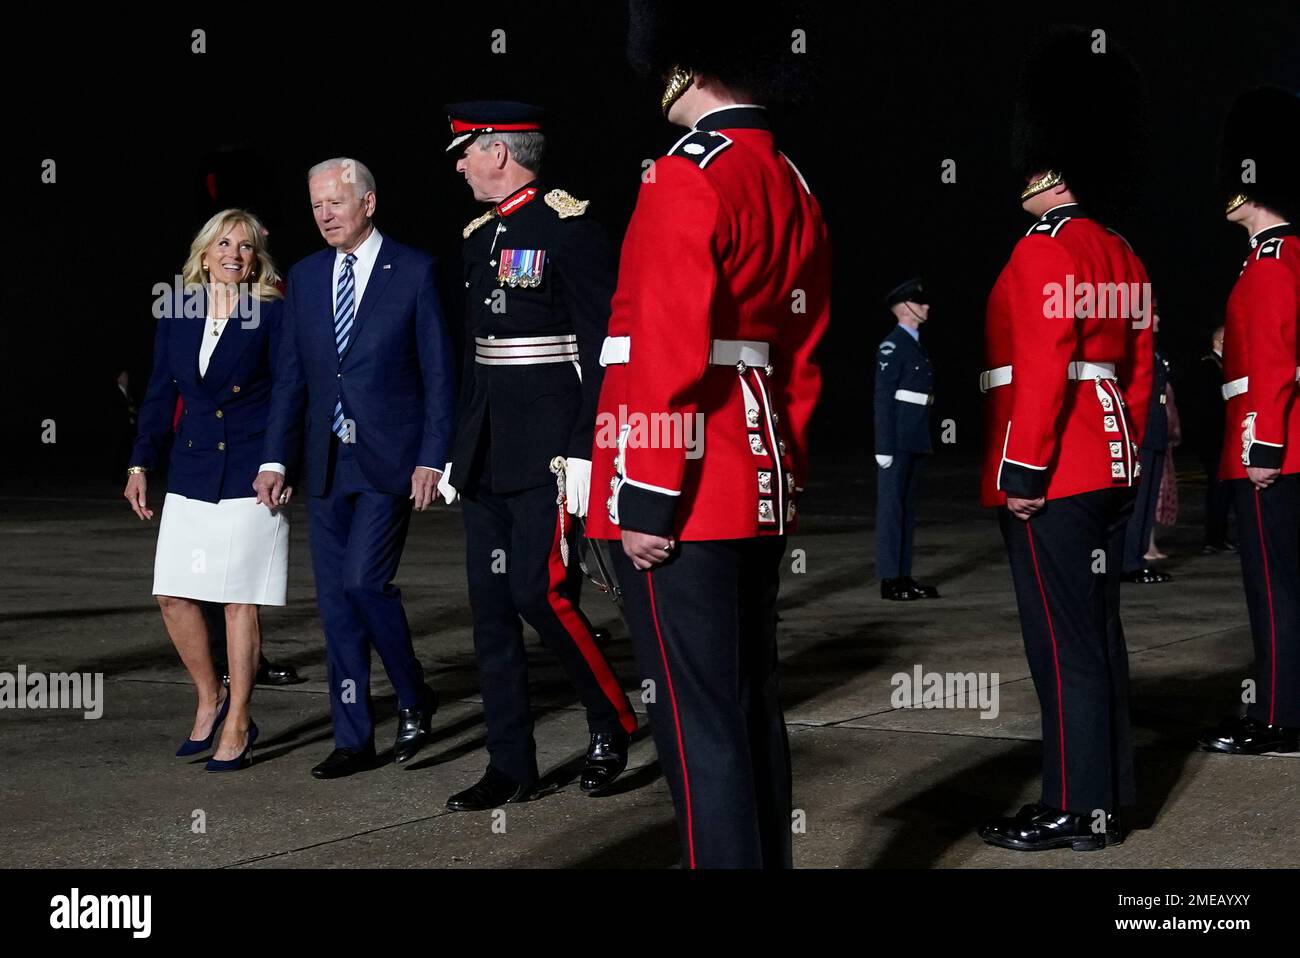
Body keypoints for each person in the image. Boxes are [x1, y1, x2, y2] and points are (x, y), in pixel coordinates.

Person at [586, 2, 831, 868]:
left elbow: (665, 348)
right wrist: (782, 471)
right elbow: (799, 356)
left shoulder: (687, 171)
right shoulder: (791, 179)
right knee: (748, 706)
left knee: (695, 729)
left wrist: (647, 492)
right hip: (752, 476)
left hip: (680, 491)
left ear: (693, 66)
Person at [977, 28, 1153, 852]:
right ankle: (1113, 797)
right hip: (1111, 460)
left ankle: (1075, 808)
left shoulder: (1042, 250)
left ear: (1047, 166)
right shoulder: (1122, 253)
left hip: (1054, 468)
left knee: (1061, 646)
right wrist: (1133, 460)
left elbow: (1044, 370)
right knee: (1100, 640)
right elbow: (1142, 374)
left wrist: (1023, 468)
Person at [437, 101, 638, 810]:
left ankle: (612, 719)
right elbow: (473, 357)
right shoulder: (477, 238)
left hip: (550, 453)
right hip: (489, 449)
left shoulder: (572, 230)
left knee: (540, 593)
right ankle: (510, 763)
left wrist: (587, 453)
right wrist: (458, 452)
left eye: (467, 150)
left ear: (500, 151)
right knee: (490, 609)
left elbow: (604, 352)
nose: (458, 164)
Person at [254, 158, 456, 779]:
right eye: (315, 205)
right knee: (337, 604)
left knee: (365, 583)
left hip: (389, 459)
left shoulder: (416, 272)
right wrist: (274, 458)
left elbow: (440, 374)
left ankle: (414, 691)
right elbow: (290, 378)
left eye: (335, 202)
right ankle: (353, 738)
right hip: (324, 463)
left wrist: (433, 456)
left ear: (368, 203)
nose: (324, 214)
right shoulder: (307, 279)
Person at [125, 208, 288, 772]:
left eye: (244, 247)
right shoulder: (178, 308)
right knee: (173, 594)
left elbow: (291, 393)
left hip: (251, 472)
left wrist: (280, 462)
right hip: (193, 468)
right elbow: (158, 391)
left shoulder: (270, 312)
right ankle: (210, 696)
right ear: (203, 252)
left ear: (254, 258)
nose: (233, 255)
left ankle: (239, 721)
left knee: (239, 602)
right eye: (223, 244)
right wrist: (140, 464)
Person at [1198, 87, 1300, 756]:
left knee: (1273, 591)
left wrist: (1261, 445)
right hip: (1284, 447)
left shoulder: (1269, 264)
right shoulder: (1285, 258)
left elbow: (1272, 364)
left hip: (1268, 452)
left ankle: (1281, 719)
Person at [874, 276, 940, 600]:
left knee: (907, 509)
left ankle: (903, 574)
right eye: (920, 302)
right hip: (897, 437)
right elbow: (883, 397)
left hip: (914, 433)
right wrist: (883, 445)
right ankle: (890, 579)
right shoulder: (892, 345)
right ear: (905, 308)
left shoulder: (914, 345)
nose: (926, 306)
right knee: (891, 509)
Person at [1122, 316, 1173, 583]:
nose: (1156, 318)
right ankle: (1128, 561)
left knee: (1148, 500)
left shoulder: (1154, 350)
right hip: (1140, 430)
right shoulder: (1134, 348)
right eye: (1152, 313)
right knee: (1138, 502)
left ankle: (1138, 558)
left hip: (1155, 428)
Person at [1193, 326, 1236, 553]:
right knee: (1217, 492)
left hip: (1224, 440)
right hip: (1214, 441)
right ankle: (1213, 537)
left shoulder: (1222, 365)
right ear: (1219, 341)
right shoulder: (1209, 366)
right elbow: (1210, 407)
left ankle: (1220, 535)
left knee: (1225, 492)